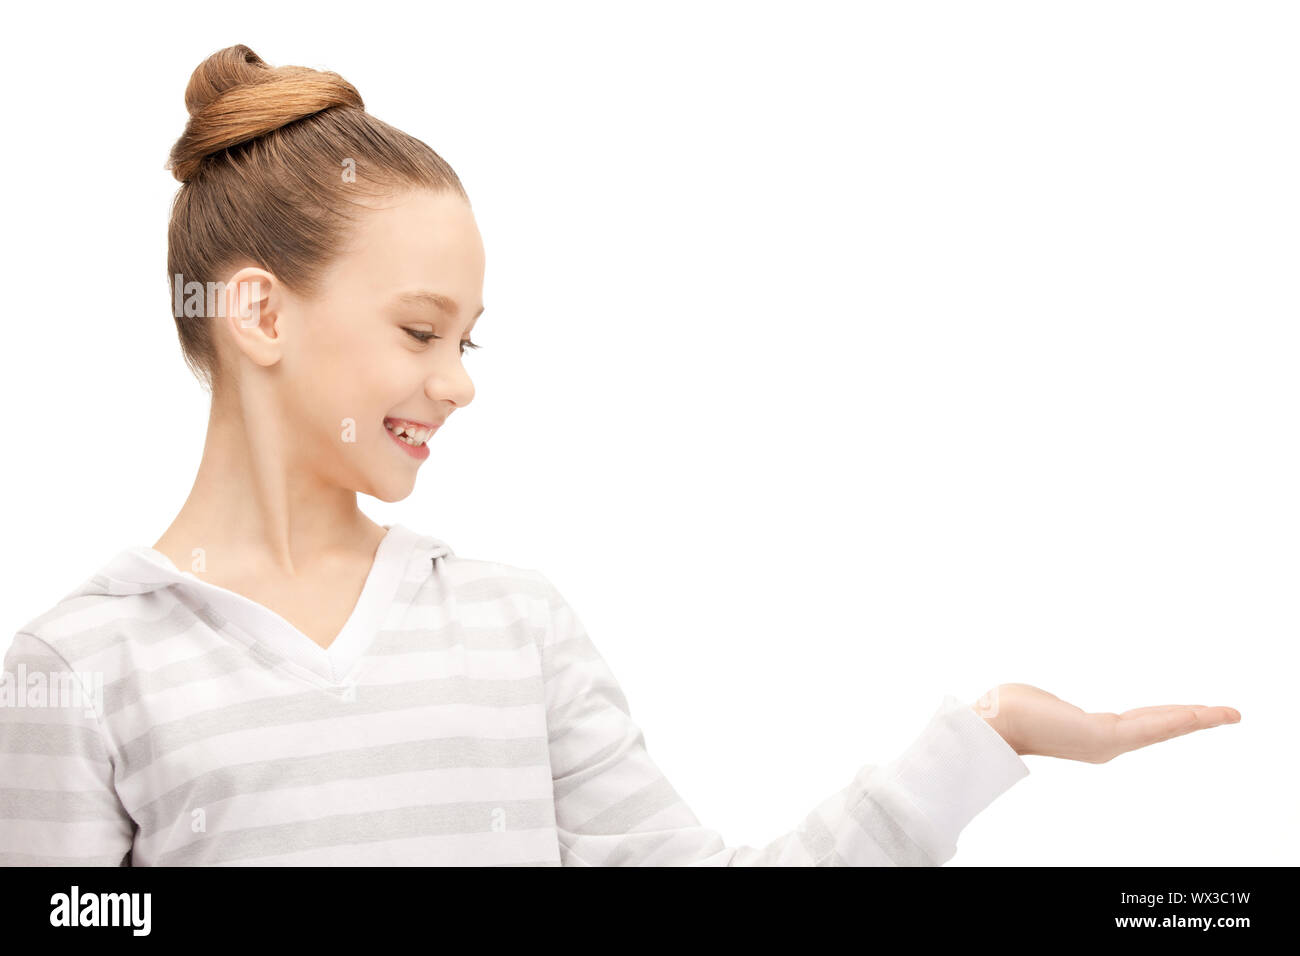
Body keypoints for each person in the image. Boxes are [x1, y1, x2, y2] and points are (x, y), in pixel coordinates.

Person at [0, 45, 1240, 867]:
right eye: (421, 329)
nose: (460, 379)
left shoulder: (511, 629)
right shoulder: (81, 666)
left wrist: (985, 734)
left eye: (469, 337)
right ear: (261, 315)